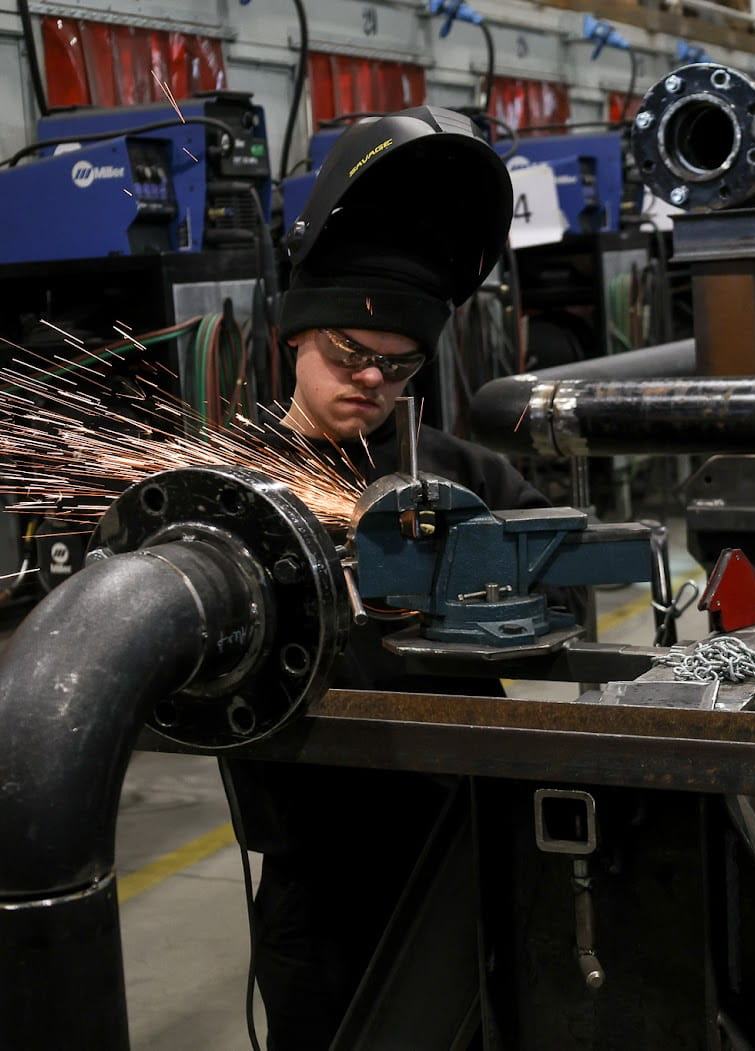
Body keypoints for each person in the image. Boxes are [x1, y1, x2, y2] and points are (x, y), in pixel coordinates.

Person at [224, 106, 565, 1051]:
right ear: (293, 338)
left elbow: (567, 585)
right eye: (347, 355)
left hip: (458, 826)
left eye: (398, 367)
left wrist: (491, 584)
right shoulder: (231, 483)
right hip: (314, 849)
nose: (370, 380)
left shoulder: (463, 472)